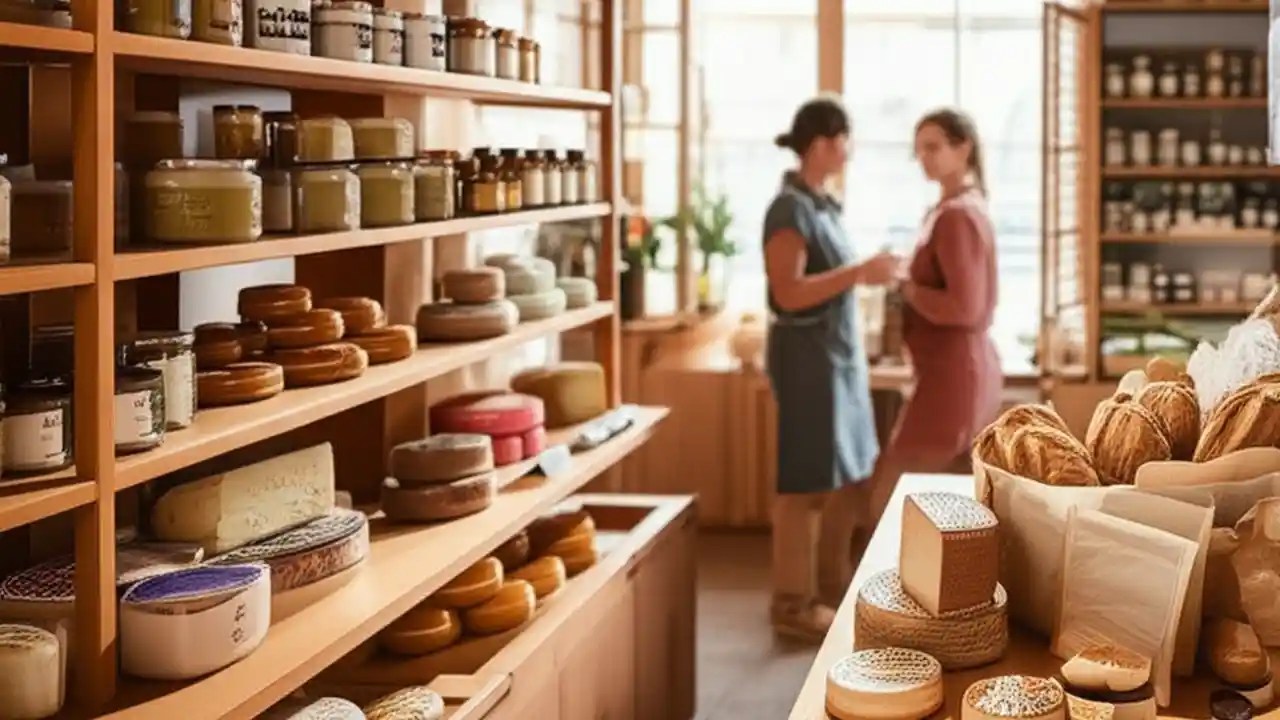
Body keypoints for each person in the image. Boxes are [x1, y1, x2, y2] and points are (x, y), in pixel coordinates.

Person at [762, 95, 900, 641]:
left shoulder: (824, 204)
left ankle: (832, 588)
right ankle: (792, 604)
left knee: (852, 475)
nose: (850, 149)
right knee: (804, 484)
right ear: (822, 143)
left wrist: (867, 274)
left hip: (838, 358)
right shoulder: (789, 209)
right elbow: (788, 292)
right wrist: (859, 273)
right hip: (806, 360)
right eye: (845, 139)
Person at [866, 108, 1003, 526]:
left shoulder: (956, 215)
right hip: (959, 367)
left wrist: (905, 284)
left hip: (951, 373)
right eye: (919, 150)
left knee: (896, 484)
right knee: (956, 492)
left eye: (933, 147)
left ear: (964, 148)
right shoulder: (959, 207)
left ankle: (879, 583)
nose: (924, 158)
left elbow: (965, 306)